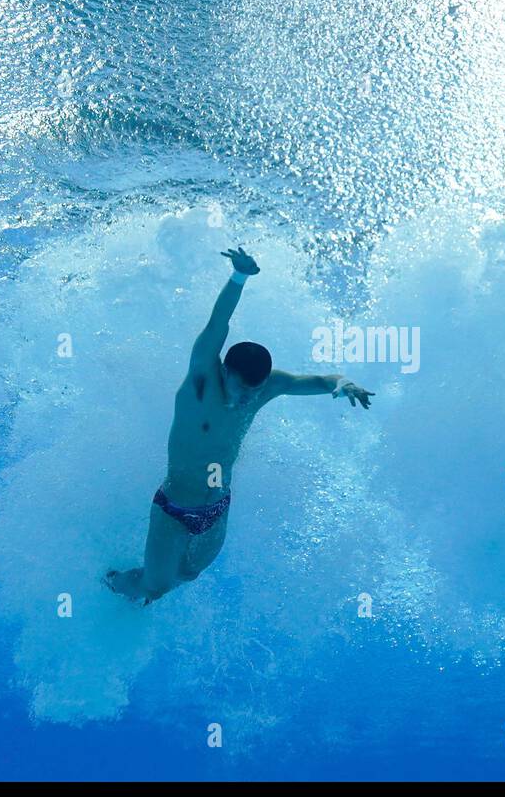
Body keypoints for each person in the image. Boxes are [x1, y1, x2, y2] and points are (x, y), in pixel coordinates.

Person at [106, 247, 374, 604]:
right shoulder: (201, 381)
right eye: (243, 387)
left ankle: (137, 581)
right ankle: (111, 582)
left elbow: (324, 380)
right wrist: (240, 276)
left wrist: (344, 383)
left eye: (257, 389)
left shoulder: (266, 386)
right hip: (173, 508)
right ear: (224, 371)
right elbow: (218, 324)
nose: (250, 397)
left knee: (187, 573)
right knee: (154, 588)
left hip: (217, 507)